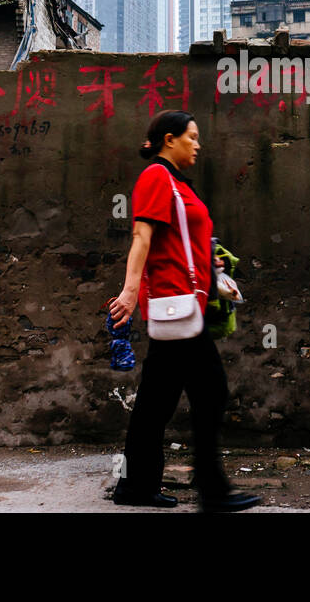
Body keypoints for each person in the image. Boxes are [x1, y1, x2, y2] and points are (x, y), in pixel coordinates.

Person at [107, 109, 260, 513]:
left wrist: (211, 265)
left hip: (184, 302)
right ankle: (212, 492)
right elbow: (142, 236)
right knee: (211, 392)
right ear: (169, 139)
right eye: (191, 137)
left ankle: (135, 486)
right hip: (175, 304)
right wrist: (127, 292)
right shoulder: (157, 177)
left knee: (156, 401)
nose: (198, 144)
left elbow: (180, 240)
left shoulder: (176, 183)